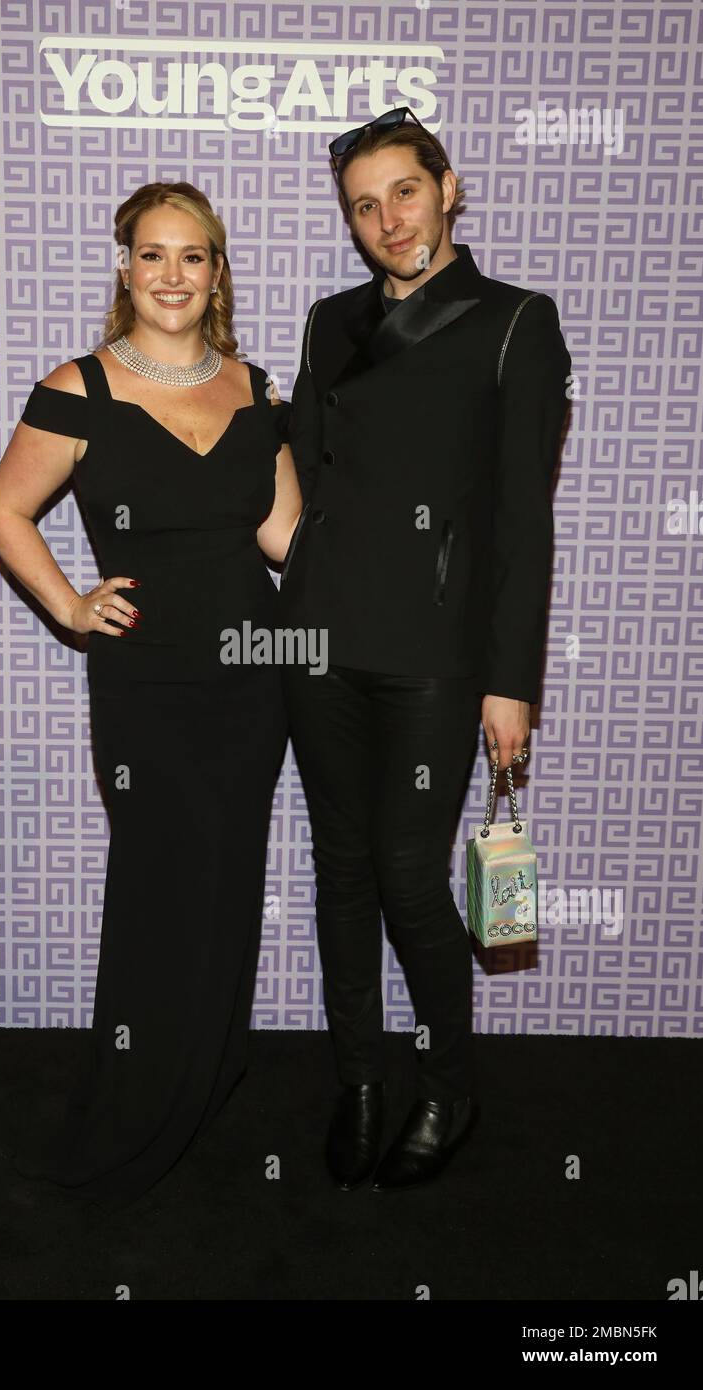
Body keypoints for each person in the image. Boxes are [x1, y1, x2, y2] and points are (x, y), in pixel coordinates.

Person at [0, 181, 302, 1201]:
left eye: (193, 255)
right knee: (158, 890)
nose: (172, 275)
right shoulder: (79, 385)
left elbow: (286, 538)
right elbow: (4, 511)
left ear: (217, 271)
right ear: (124, 267)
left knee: (226, 888)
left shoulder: (254, 390)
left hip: (252, 679)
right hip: (147, 684)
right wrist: (71, 605)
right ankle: (132, 1104)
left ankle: (202, 1079)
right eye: (151, 254)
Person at [279, 107, 572, 1192]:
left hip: (433, 655)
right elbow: (297, 481)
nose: (386, 218)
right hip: (318, 643)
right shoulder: (326, 322)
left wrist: (509, 681)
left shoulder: (512, 322)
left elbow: (520, 521)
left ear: (448, 188)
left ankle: (447, 1082)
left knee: (406, 871)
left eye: (404, 190)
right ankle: (358, 1077)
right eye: (363, 203)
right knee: (339, 869)